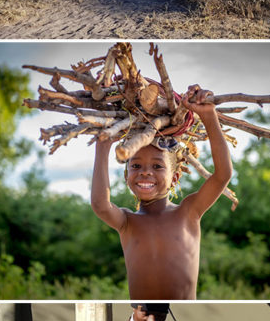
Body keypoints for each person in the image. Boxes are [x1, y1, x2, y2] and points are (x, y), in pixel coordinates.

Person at [91, 85, 233, 299]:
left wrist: (208, 115)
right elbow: (101, 205)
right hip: (147, 316)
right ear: (126, 175)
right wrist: (102, 147)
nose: (145, 173)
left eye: (157, 167)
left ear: (175, 178)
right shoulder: (127, 222)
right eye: (136, 166)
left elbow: (222, 175)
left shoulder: (188, 212)